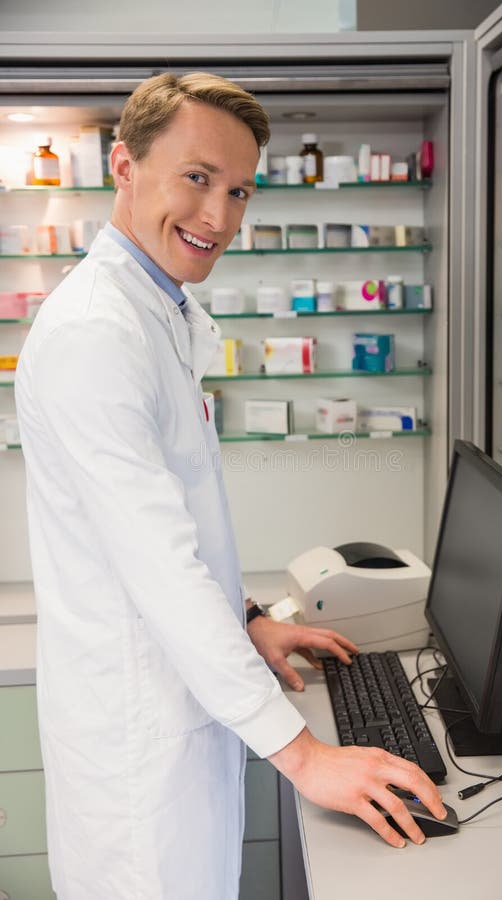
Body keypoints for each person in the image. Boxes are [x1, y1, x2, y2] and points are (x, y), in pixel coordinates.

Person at [15, 72, 446, 900]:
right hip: (139, 753)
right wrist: (305, 757)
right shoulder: (95, 335)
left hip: (182, 708)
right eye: (197, 178)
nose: (219, 217)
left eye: (240, 190)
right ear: (125, 166)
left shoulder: (159, 311)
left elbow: (174, 528)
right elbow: (158, 568)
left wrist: (247, 622)